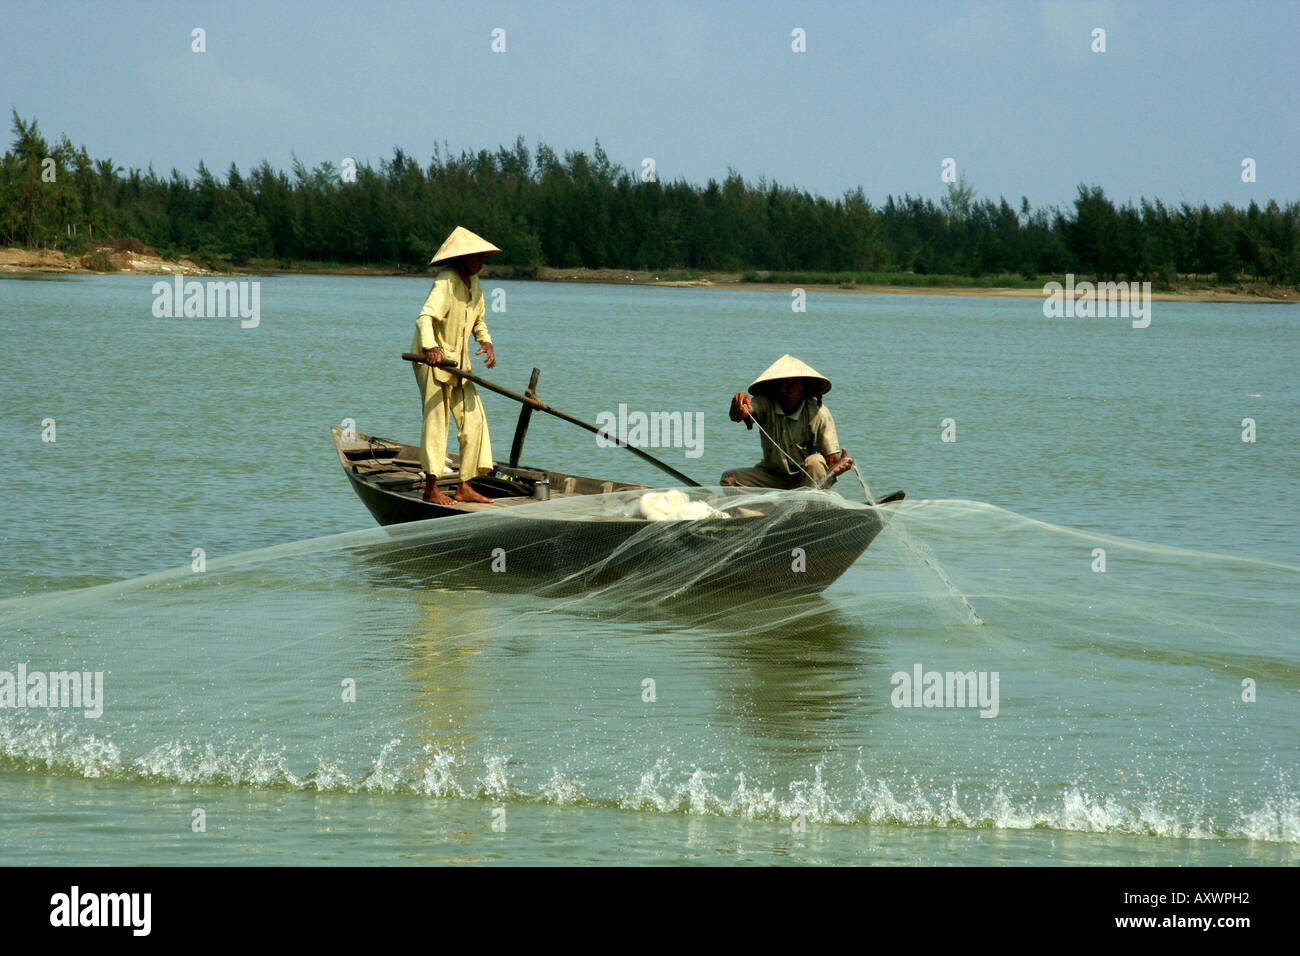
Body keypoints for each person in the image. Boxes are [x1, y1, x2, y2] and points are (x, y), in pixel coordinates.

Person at [411, 226, 501, 505]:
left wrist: (486, 342)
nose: (481, 263)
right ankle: (432, 488)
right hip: (433, 361)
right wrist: (431, 348)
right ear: (461, 258)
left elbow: (478, 321)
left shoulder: (475, 286)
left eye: (482, 257)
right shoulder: (446, 281)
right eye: (476, 257)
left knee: (474, 420)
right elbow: (425, 318)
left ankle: (465, 485)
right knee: (438, 421)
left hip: (460, 364)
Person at [720, 354, 854, 488]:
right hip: (772, 476)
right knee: (730, 478)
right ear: (776, 386)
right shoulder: (766, 403)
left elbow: (832, 461)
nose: (789, 388)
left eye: (794, 383)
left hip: (807, 478)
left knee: (816, 462)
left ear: (803, 387)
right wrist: (738, 406)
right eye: (784, 383)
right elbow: (739, 415)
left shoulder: (819, 413)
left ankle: (811, 506)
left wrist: (838, 469)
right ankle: (758, 509)